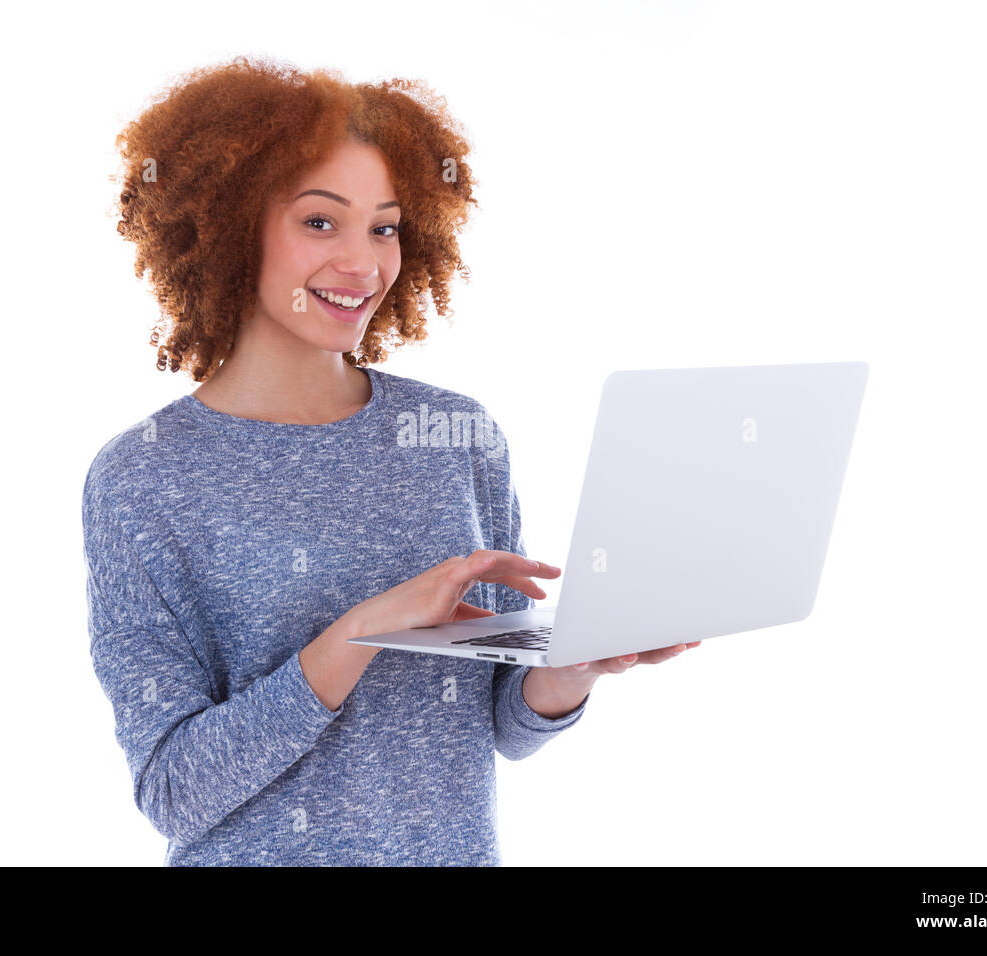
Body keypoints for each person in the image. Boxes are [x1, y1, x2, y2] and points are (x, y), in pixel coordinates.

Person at [82, 55, 699, 866]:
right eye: (319, 221)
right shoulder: (147, 477)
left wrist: (571, 667)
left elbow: (500, 723)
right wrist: (362, 632)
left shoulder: (458, 437)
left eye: (384, 227)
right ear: (229, 227)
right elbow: (174, 791)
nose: (364, 263)